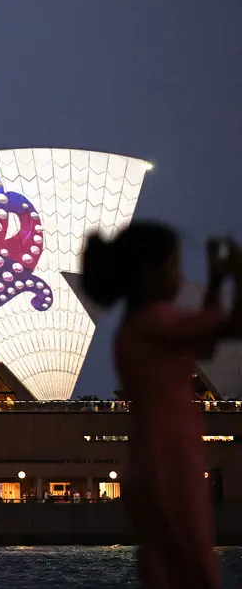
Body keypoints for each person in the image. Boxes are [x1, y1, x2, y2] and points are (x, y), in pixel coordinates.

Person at [80, 223, 242, 589]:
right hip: (169, 462)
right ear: (148, 275)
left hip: (153, 460)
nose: (181, 277)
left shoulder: (140, 327)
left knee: (166, 569)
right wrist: (236, 274)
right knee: (194, 566)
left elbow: (206, 348)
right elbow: (231, 328)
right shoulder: (155, 322)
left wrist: (217, 283)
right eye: (174, 267)